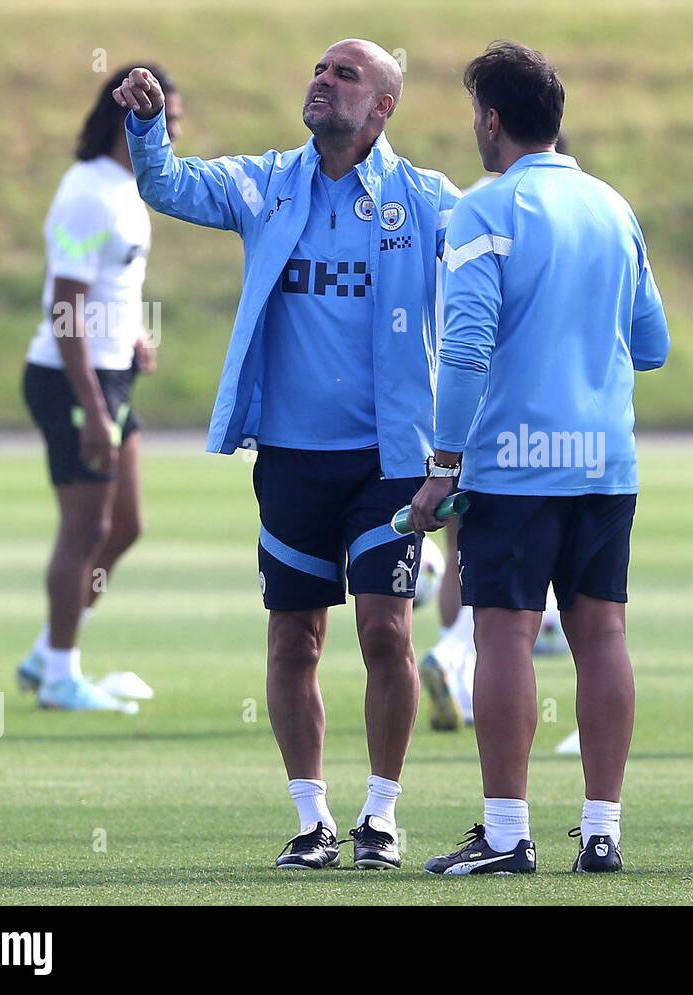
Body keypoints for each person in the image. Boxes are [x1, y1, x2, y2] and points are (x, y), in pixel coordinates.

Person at [112, 38, 461, 870]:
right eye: (318, 68)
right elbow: (167, 184)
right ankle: (312, 818)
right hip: (292, 459)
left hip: (388, 461)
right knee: (293, 640)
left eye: (346, 74)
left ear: (382, 106)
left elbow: (501, 248)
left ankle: (381, 814)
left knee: (385, 631)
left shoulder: (425, 200)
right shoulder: (266, 184)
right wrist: (151, 127)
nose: (322, 81)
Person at [410, 41, 668, 874]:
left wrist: (443, 462)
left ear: (491, 119)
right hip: (604, 462)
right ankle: (601, 830)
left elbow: (466, 349)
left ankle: (507, 832)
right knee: (603, 635)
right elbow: (653, 343)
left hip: (515, 464)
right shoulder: (613, 207)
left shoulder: (485, 210)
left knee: (505, 637)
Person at [17, 64, 182, 714]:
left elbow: (111, 284)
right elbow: (65, 305)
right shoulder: (88, 191)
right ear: (128, 117)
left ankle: (45, 653)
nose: (170, 133)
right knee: (85, 530)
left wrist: (133, 335)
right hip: (70, 380)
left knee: (125, 525)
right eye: (163, 120)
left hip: (111, 376)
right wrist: (90, 404)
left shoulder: (127, 188)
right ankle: (59, 674)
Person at [419, 133, 574, 735]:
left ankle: (455, 668)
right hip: (544, 426)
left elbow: (457, 336)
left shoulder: (469, 210)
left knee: (464, 555)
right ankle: (460, 659)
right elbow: (650, 343)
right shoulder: (585, 210)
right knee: (575, 604)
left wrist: (443, 459)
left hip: (457, 410)